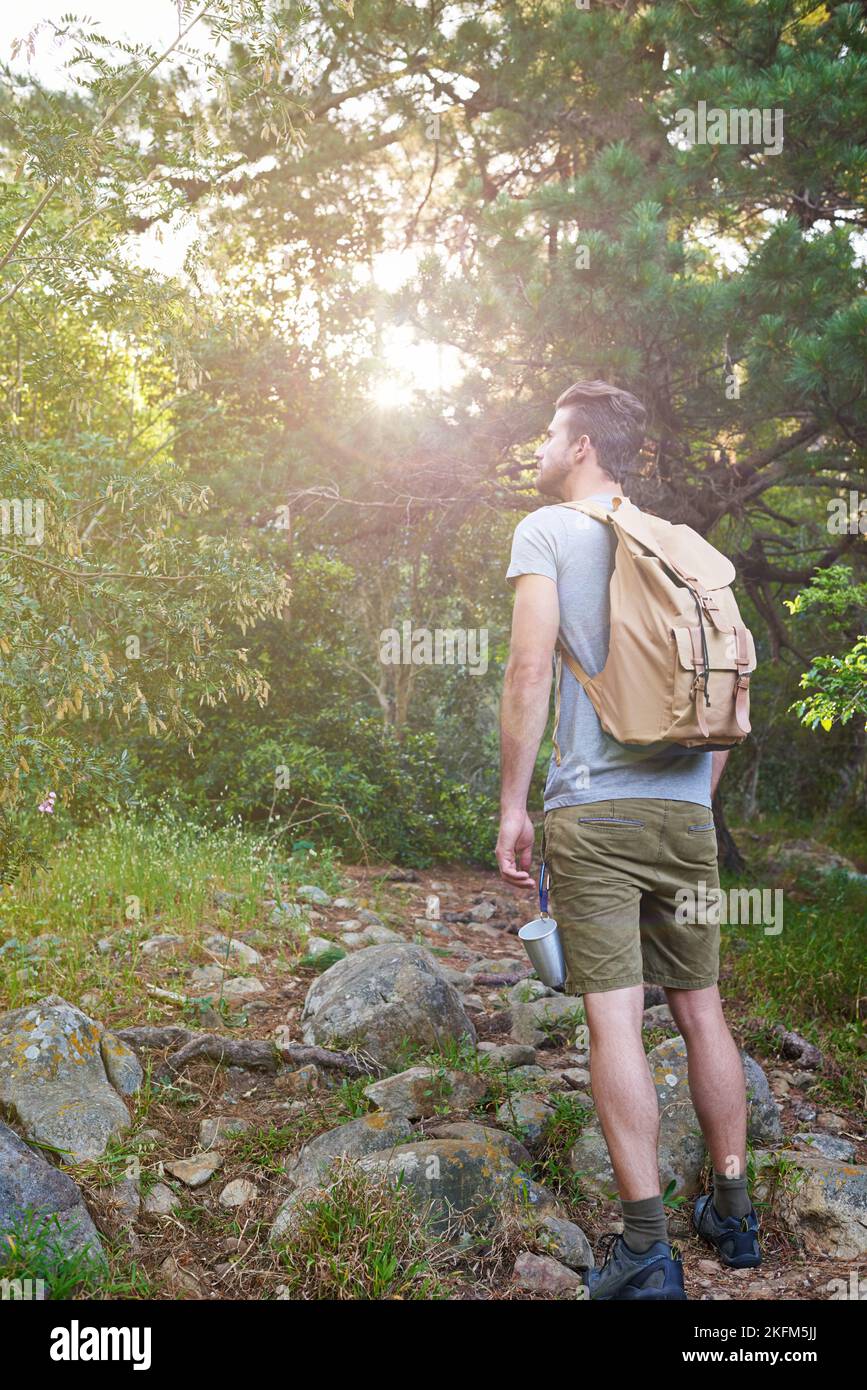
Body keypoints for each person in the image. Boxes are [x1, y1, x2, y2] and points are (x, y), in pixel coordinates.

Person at [496, 379, 761, 1301]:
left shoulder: (548, 533)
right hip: (687, 812)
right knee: (700, 1007)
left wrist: (513, 803)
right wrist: (694, 796)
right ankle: (734, 1212)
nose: (538, 447)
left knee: (615, 1018)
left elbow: (530, 667)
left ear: (578, 448)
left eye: (546, 433)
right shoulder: (685, 548)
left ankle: (646, 1250)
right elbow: (736, 696)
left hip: (594, 815)